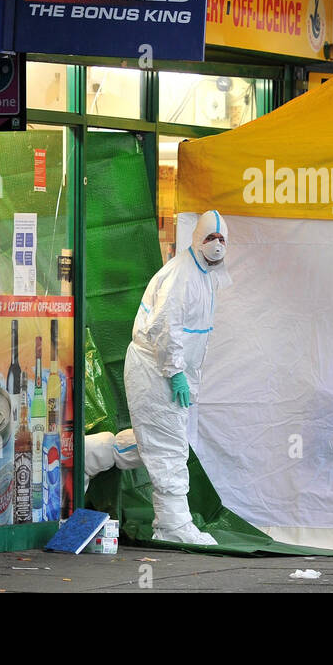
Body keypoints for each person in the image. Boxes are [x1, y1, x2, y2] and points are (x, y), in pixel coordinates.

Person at [123, 210, 230, 545]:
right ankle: (172, 524)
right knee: (167, 444)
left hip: (168, 370)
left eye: (222, 239)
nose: (217, 245)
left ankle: (95, 455)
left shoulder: (206, 275)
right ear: (197, 240)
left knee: (156, 439)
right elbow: (167, 329)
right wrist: (175, 373)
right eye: (211, 238)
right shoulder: (182, 275)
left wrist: (184, 374)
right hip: (155, 370)